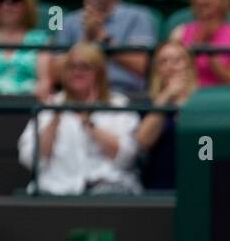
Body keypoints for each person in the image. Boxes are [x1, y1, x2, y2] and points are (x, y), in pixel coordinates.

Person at [17, 42, 141, 194]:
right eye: (71, 67)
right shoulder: (50, 106)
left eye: (85, 67)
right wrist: (55, 119)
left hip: (108, 187)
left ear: (99, 73)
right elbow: (30, 159)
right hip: (56, 188)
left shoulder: (118, 104)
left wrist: (88, 123)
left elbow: (127, 157)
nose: (77, 72)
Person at [53, 0, 155, 95]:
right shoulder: (67, 21)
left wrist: (103, 39)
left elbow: (143, 66)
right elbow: (56, 73)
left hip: (124, 94)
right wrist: (87, 40)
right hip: (75, 97)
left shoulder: (139, 16)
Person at [136, 42, 196, 189]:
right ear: (157, 70)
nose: (170, 66)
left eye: (177, 60)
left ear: (189, 66)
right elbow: (142, 143)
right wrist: (167, 95)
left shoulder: (202, 103)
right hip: (159, 186)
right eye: (164, 62)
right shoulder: (149, 105)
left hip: (197, 182)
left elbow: (208, 149)